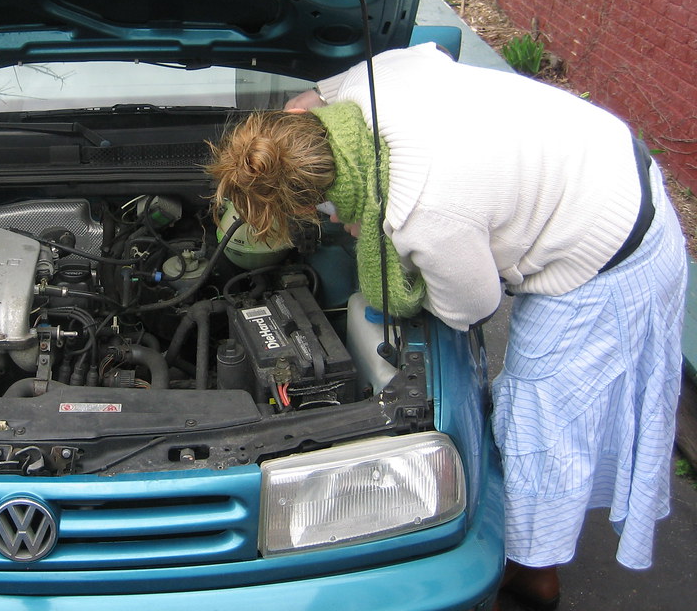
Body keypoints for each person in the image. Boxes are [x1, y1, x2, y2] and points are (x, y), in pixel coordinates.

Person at [206, 43, 688, 611]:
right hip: (593, 150)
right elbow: (317, 95)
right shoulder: (368, 82)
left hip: (608, 241)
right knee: (542, 411)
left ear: (316, 206)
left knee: (542, 416)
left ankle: (532, 571)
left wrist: (380, 231)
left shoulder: (426, 213)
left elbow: (471, 309)